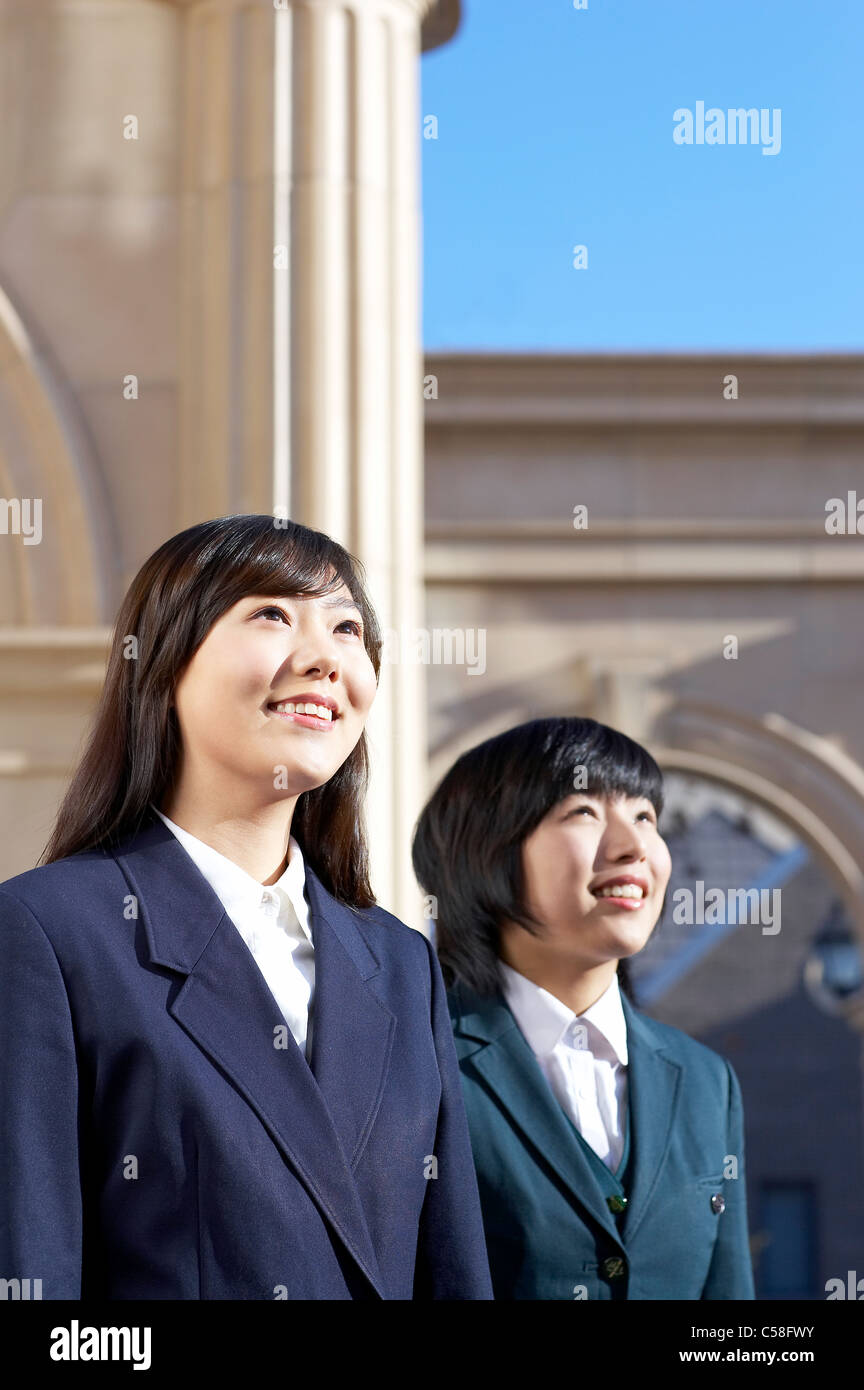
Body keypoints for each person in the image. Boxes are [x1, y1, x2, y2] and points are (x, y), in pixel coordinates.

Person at [0, 513, 492, 1301]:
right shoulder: (48, 933)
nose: (325, 659)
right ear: (163, 663)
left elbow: (452, 1272)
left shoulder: (401, 963)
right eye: (271, 614)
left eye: (348, 630)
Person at [411, 716, 755, 1301]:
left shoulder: (706, 1081)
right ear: (486, 851)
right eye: (584, 813)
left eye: (646, 816)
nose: (634, 846)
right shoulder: (416, 1065)